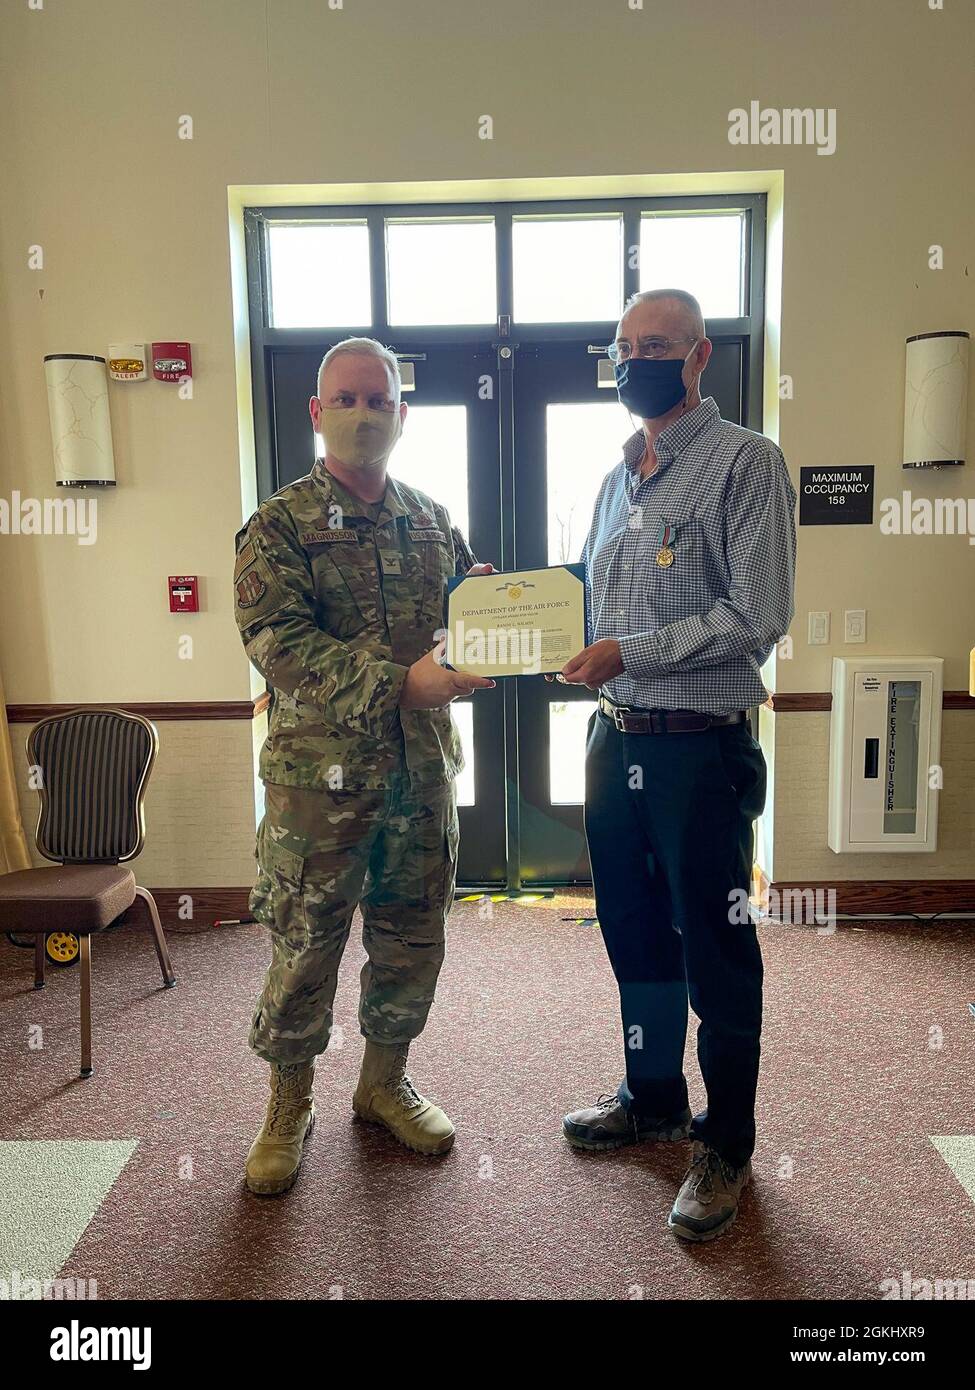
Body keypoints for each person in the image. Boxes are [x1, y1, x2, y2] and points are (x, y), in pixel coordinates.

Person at [559, 288, 797, 1242]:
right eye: (623, 348)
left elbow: (756, 615)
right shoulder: (615, 478)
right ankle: (651, 1094)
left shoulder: (745, 461)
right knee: (631, 932)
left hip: (699, 751)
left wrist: (633, 653)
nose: (635, 363)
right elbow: (590, 604)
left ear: (698, 357)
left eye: (655, 346)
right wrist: (507, 608)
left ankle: (725, 1142)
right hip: (613, 739)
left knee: (715, 945)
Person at [233, 336, 494, 1195]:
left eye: (377, 400)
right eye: (345, 399)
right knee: (305, 944)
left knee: (411, 938)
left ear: (401, 414)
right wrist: (400, 683)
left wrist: (490, 612)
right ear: (317, 412)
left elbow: (458, 620)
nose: (362, 414)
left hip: (419, 778)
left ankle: (383, 1083)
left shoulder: (431, 519)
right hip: (319, 789)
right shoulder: (278, 524)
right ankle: (288, 1103)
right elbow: (276, 642)